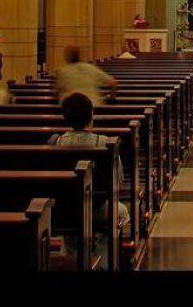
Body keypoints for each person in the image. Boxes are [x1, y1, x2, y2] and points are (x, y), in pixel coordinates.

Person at [48, 92, 130, 266]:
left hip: (64, 209)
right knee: (122, 212)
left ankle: (71, 255)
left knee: (70, 208)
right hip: (97, 208)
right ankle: (103, 259)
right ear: (91, 115)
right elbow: (118, 179)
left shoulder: (56, 142)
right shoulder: (105, 143)